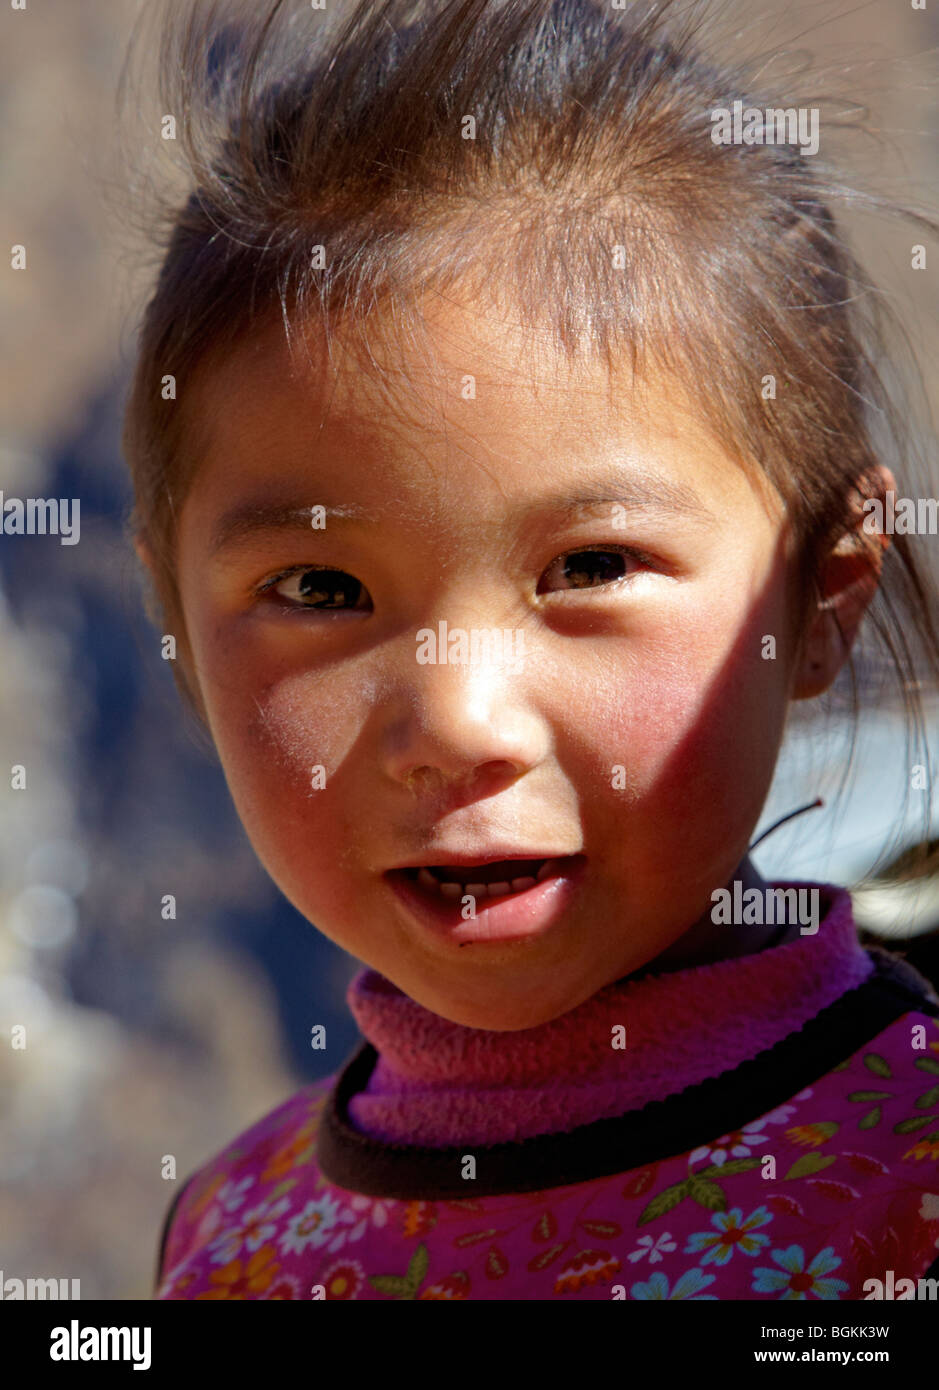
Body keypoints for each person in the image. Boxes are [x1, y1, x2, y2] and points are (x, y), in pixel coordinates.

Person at [119, 0, 939, 1299]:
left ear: (825, 593)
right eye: (322, 585)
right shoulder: (228, 1238)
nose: (458, 719)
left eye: (592, 567)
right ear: (177, 627)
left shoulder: (907, 1181)